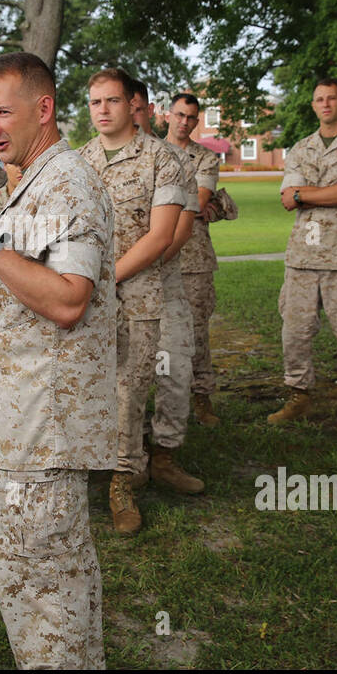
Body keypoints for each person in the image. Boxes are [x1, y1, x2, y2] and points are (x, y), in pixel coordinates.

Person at [0, 51, 116, 669]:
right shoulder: (34, 181)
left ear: (43, 109)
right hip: (23, 424)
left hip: (42, 430)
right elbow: (30, 279)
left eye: (0, 112)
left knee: (44, 591)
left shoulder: (67, 180)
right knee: (53, 582)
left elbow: (70, 300)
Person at [78, 68, 182, 534]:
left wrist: (106, 278)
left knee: (128, 390)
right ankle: (79, 475)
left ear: (133, 104)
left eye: (112, 101)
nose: (103, 110)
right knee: (80, 387)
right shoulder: (78, 161)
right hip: (80, 298)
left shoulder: (164, 160)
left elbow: (160, 236)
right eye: (95, 102)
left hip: (136, 298)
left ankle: (122, 482)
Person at [270, 78, 337, 435]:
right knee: (295, 333)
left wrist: (308, 193)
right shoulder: (301, 148)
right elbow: (288, 198)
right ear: (313, 105)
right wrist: (335, 193)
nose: (326, 104)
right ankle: (298, 396)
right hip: (302, 256)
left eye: (332, 98)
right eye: (319, 99)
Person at [128, 79, 205, 495]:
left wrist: (135, 263)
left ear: (147, 110)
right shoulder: (92, 162)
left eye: (138, 108)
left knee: (174, 369)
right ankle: (133, 456)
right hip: (119, 292)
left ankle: (166, 456)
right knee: (128, 375)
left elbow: (178, 233)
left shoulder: (174, 162)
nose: (132, 114)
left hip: (163, 286)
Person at [165, 93, 225, 427]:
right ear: (167, 116)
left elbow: (198, 201)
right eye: (179, 115)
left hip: (193, 259)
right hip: (152, 256)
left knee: (197, 331)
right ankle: (164, 398)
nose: (184, 122)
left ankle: (202, 398)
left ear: (196, 121)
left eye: (190, 117)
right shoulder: (149, 152)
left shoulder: (205, 158)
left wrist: (157, 203)